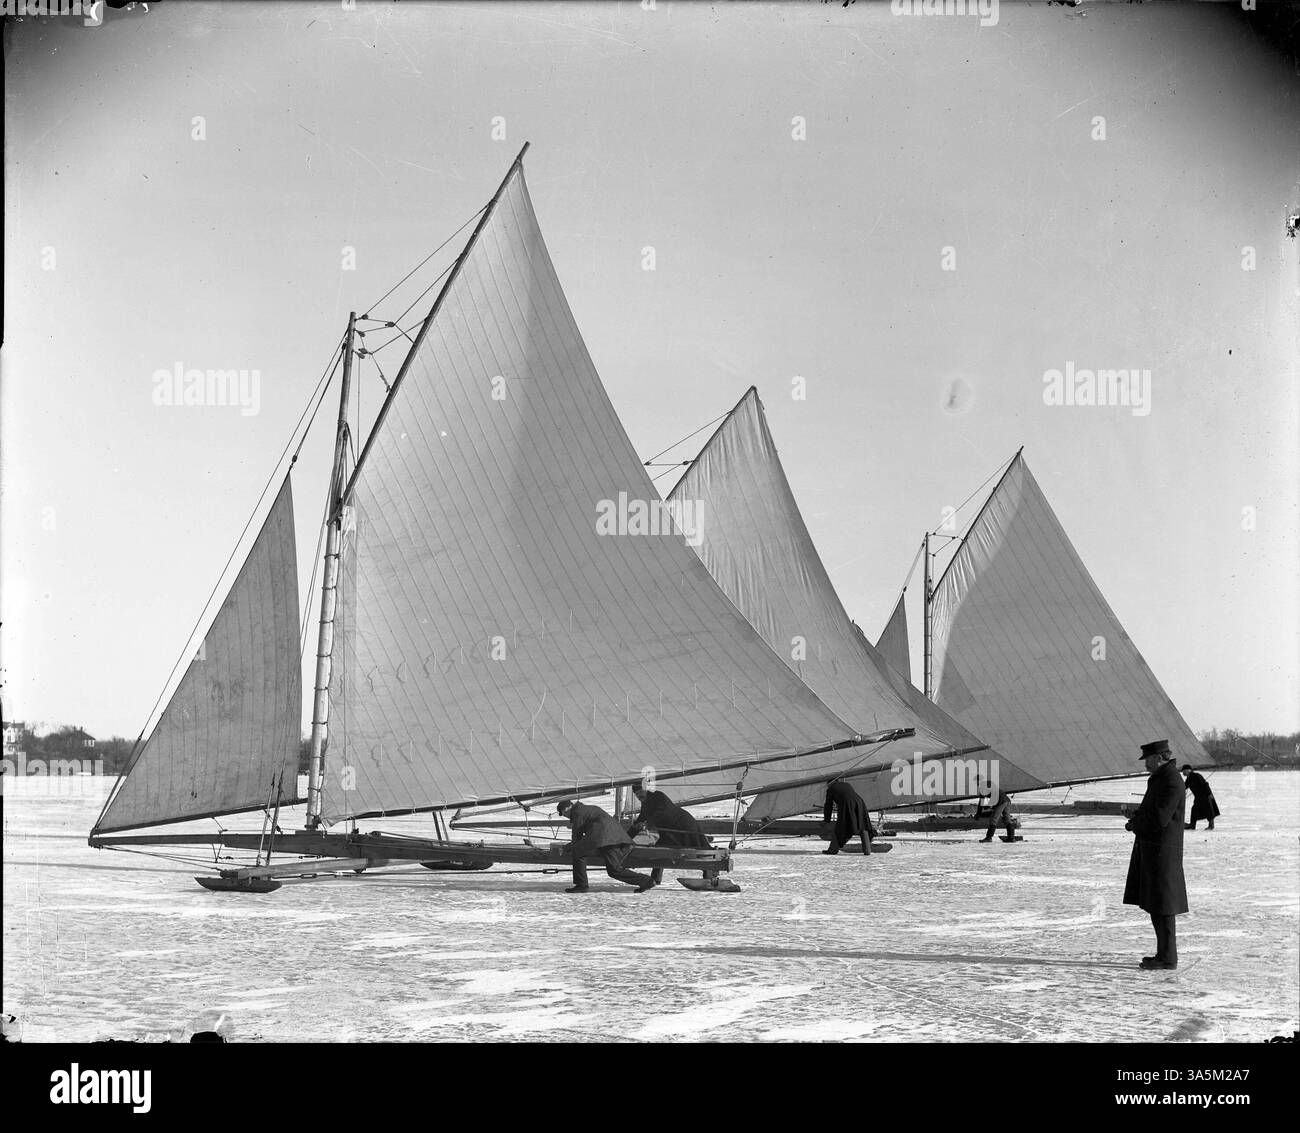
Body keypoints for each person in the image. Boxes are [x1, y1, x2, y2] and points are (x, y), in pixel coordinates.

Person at [1123, 739, 1188, 970]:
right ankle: (1163, 955)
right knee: (1157, 905)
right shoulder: (1163, 779)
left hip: (1163, 854)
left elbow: (1160, 818)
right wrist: (1137, 816)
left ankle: (1168, 958)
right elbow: (1154, 811)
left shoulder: (1170, 781)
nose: (1145, 764)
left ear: (1159, 757)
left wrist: (1135, 825)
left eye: (1148, 760)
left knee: (1163, 906)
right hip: (1156, 853)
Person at [556, 798, 656, 893]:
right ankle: (581, 885)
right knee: (581, 852)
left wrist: (566, 848)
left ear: (567, 808)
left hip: (607, 840)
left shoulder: (578, 813)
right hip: (614, 838)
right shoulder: (588, 809)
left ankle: (646, 881)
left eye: (564, 814)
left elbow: (576, 836)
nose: (566, 816)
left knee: (613, 870)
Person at [629, 782, 711, 885]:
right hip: (668, 831)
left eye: (641, 792)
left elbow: (662, 812)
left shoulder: (658, 796)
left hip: (683, 825)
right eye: (637, 794)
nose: (639, 796)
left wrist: (647, 823)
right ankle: (655, 879)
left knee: (697, 850)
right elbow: (641, 819)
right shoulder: (645, 803)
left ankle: (709, 873)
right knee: (659, 851)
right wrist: (627, 837)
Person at [822, 778, 875, 855]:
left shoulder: (831, 788)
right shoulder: (847, 784)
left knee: (841, 827)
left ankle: (833, 850)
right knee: (863, 826)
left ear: (829, 783)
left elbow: (828, 805)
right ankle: (867, 850)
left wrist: (826, 820)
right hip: (860, 803)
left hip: (847, 805)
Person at [1181, 764, 1220, 830]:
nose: (1183, 773)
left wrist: (1209, 794)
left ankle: (1211, 826)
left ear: (1188, 770)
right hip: (1198, 798)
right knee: (1194, 810)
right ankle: (1192, 826)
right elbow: (1184, 787)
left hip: (1205, 796)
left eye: (1184, 771)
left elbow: (1205, 784)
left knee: (1208, 810)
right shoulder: (1188, 778)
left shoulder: (1196, 776)